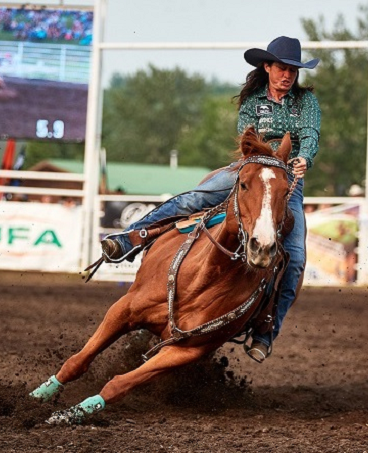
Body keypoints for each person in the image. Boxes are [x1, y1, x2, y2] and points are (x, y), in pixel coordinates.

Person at [97, 36, 321, 363]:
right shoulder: (253, 102)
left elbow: (311, 135)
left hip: (287, 180)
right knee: (194, 199)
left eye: (293, 70)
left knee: (297, 255)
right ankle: (133, 236)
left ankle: (267, 328)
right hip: (247, 172)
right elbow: (249, 139)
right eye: (282, 68)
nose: (287, 75)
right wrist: (261, 163)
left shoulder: (306, 103)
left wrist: (304, 159)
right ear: (268, 67)